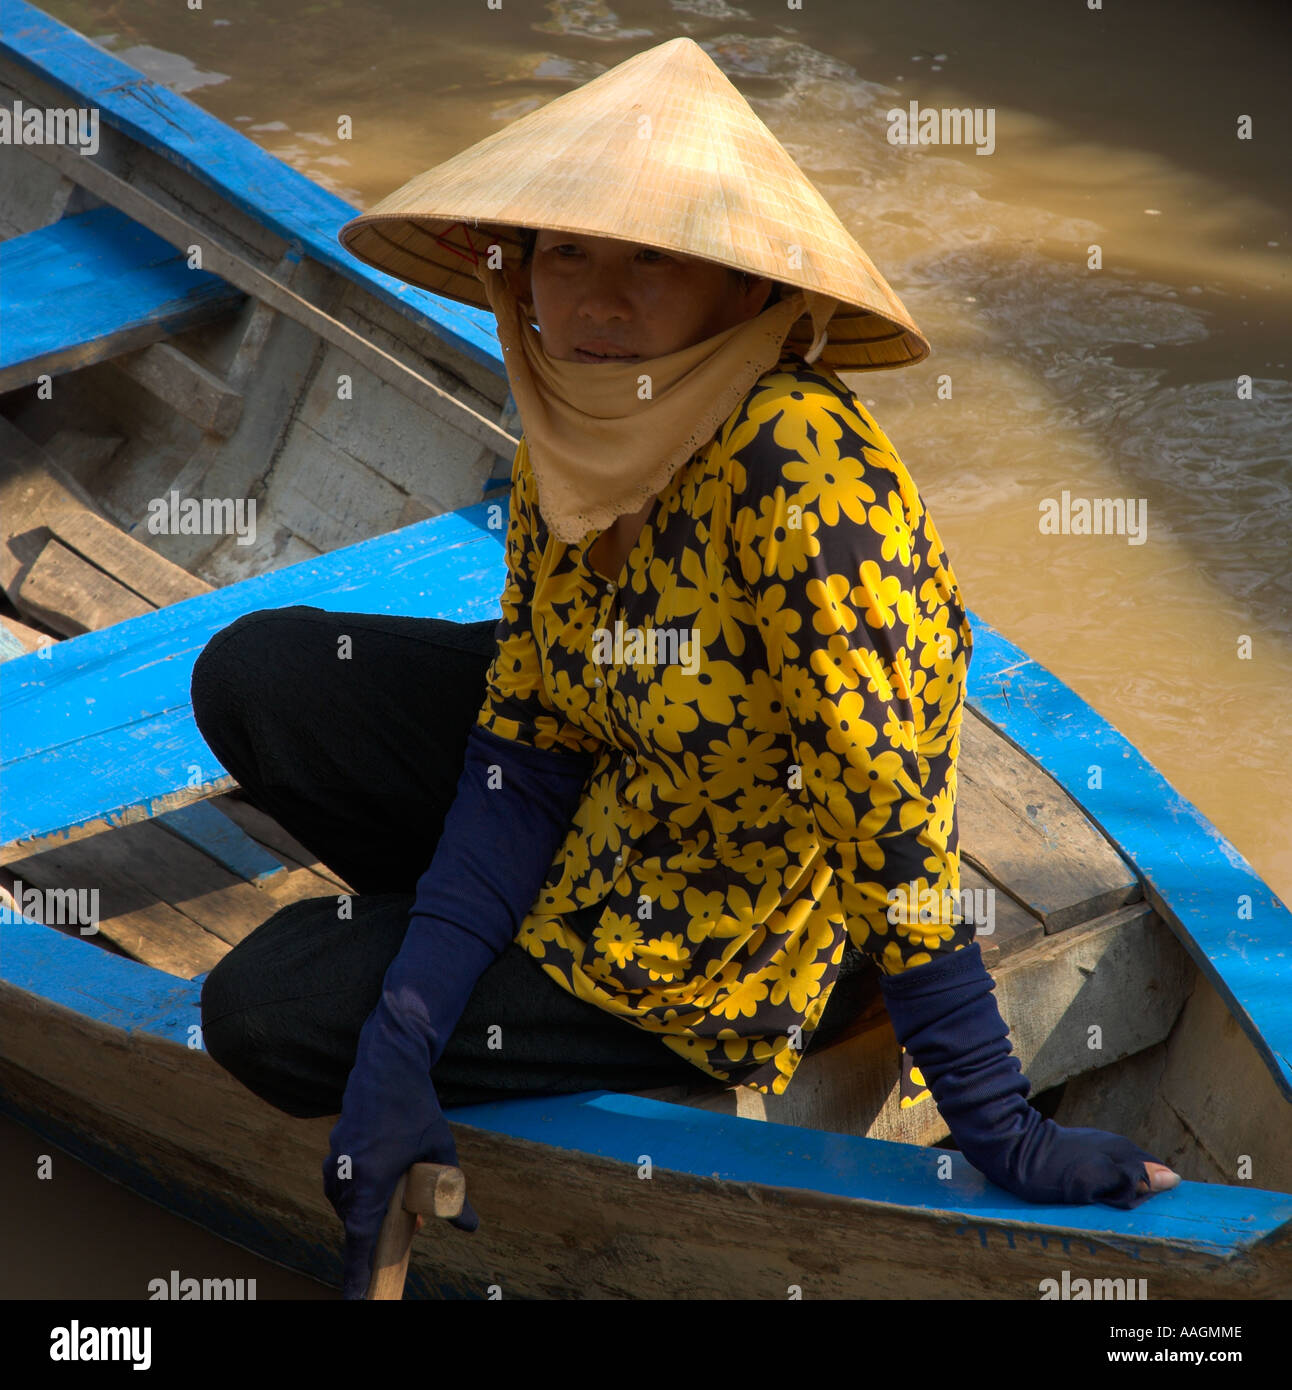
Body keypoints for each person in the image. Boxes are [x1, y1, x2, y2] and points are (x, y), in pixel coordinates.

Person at [192, 37, 1179, 1301]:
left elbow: (886, 823)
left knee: (261, 1009)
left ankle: (572, 1008)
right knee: (263, 672)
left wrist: (1004, 1129)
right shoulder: (575, 406)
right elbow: (526, 743)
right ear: (522, 274)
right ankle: (460, 970)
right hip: (623, 776)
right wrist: (404, 1027)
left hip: (742, 929)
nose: (600, 304)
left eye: (652, 259)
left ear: (738, 292)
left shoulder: (800, 479)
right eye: (567, 255)